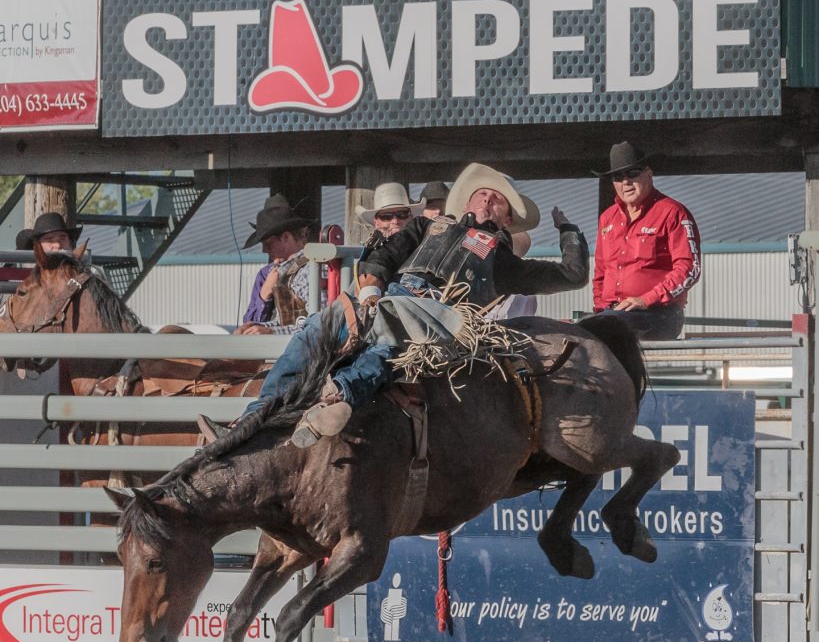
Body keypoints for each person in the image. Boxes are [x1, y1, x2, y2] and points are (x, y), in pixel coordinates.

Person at [203, 163, 587, 448]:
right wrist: (370, 290)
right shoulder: (428, 227)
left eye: (497, 198)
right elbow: (387, 254)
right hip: (388, 298)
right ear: (468, 200)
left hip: (438, 314)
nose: (487, 199)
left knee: (391, 345)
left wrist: (569, 231)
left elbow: (572, 274)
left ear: (507, 218)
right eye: (482, 193)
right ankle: (251, 421)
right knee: (314, 330)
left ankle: (335, 398)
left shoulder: (504, 263)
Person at [592, 141, 701, 340]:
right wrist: (600, 309)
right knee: (581, 333)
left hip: (659, 314)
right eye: (617, 177)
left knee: (605, 329)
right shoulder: (607, 218)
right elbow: (601, 272)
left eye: (632, 173)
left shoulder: (673, 212)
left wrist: (645, 300)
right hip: (612, 315)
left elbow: (689, 268)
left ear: (648, 174)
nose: (625, 182)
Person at [235, 193, 315, 336]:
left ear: (286, 237)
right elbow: (287, 322)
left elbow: (316, 326)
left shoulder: (310, 270)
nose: (264, 249)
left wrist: (270, 331)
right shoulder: (289, 270)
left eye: (268, 243)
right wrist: (255, 326)